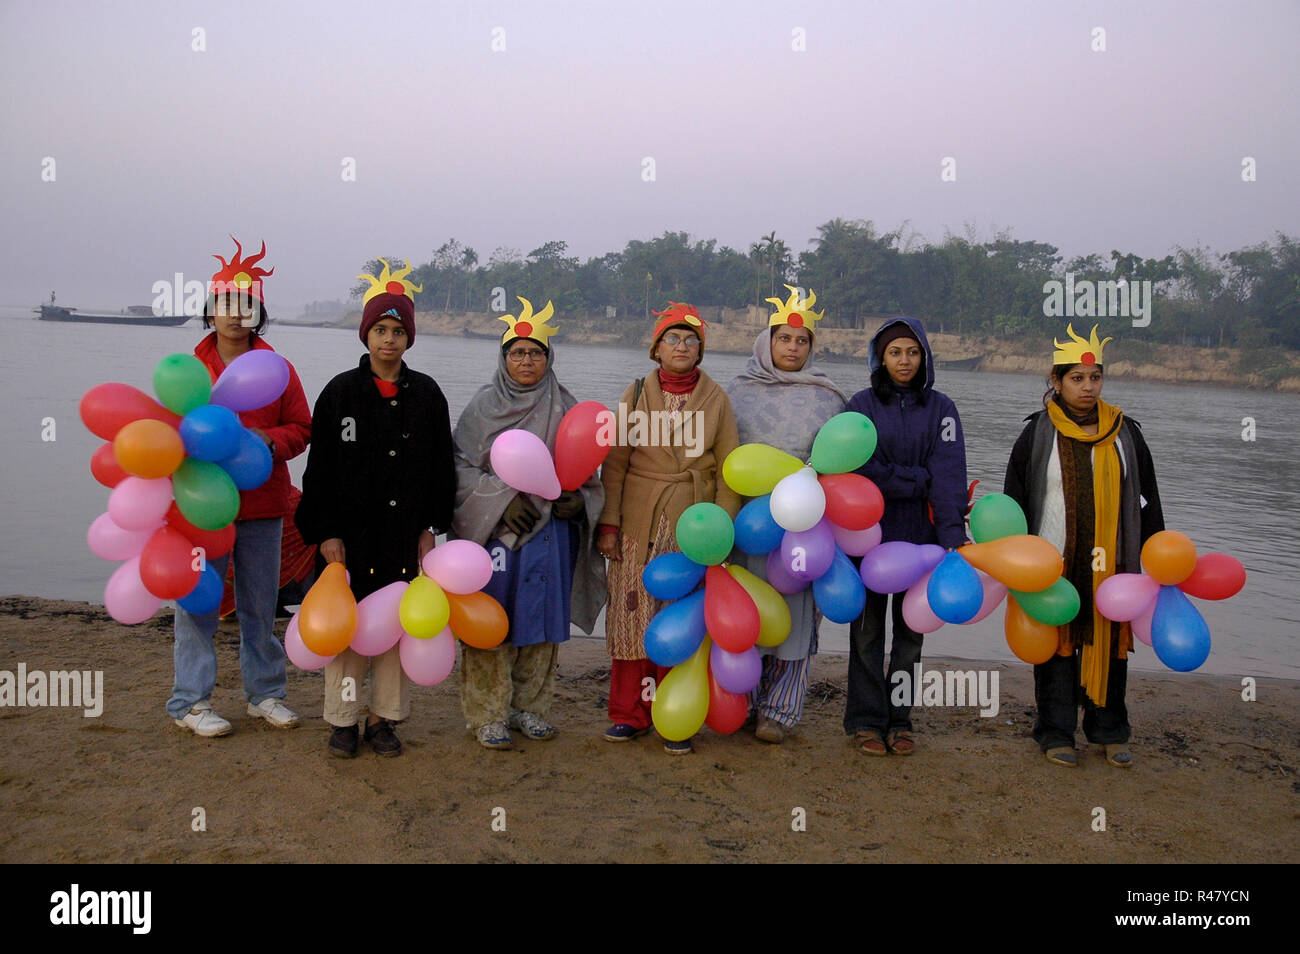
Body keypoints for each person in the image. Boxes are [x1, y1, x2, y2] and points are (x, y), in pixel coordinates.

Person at [295, 260, 457, 758]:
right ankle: (343, 721)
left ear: (409, 338)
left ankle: (384, 720)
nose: (389, 340)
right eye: (381, 330)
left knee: (394, 627)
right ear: (366, 335)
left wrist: (432, 525)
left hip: (403, 532)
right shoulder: (340, 393)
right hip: (349, 533)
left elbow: (440, 468)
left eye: (399, 331)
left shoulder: (427, 394)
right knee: (347, 631)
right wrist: (323, 533)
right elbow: (318, 471)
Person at [1002, 324, 1164, 769]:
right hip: (1053, 560)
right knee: (1057, 645)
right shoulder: (1036, 435)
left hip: (1114, 565)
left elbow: (1148, 499)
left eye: (1094, 378)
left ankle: (1109, 729)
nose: (1087, 387)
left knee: (1109, 642)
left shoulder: (1126, 433)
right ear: (1056, 382)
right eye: (1076, 378)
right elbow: (1014, 499)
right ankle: (1055, 732)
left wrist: (1154, 559)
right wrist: (1015, 559)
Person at [169, 238, 311, 737]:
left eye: (245, 304)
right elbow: (166, 436)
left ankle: (265, 694)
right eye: (225, 304)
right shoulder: (186, 371)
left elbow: (302, 429)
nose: (235, 314)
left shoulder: (278, 369)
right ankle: (190, 701)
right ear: (211, 312)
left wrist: (265, 443)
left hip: (263, 505)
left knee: (257, 604)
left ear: (258, 313)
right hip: (201, 508)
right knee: (198, 602)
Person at [451, 299, 607, 749]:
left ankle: (531, 708)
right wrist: (502, 498)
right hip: (496, 534)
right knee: (491, 621)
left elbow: (588, 475)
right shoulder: (482, 408)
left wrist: (577, 503)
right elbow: (459, 469)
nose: (526, 360)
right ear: (503, 359)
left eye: (535, 352)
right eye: (517, 352)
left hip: (551, 537)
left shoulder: (567, 406)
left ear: (548, 358)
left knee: (540, 621)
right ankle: (487, 713)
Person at [598, 303, 741, 754]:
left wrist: (721, 532)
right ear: (656, 347)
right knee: (631, 612)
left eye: (691, 340)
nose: (682, 346)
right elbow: (615, 463)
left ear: (701, 350)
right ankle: (628, 714)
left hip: (692, 521)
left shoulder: (717, 398)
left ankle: (671, 715)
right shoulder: (636, 393)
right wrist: (609, 523)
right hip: (638, 516)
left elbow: (729, 471)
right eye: (672, 339)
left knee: (677, 618)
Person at [842, 317, 968, 756]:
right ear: (881, 356)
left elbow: (950, 476)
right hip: (868, 539)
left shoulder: (942, 410)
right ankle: (865, 721)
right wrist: (917, 480)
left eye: (912, 352)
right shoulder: (859, 406)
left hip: (923, 542)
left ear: (925, 357)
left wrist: (953, 540)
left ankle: (900, 720)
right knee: (867, 634)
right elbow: (860, 468)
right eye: (895, 352)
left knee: (911, 637)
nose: (904, 360)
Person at [726, 286, 846, 743]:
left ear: (812, 347)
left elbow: (841, 462)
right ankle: (745, 700)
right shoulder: (737, 392)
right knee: (750, 609)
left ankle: (780, 709)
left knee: (797, 613)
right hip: (749, 521)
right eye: (784, 339)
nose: (792, 348)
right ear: (766, 342)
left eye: (802, 341)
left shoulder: (829, 397)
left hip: (806, 522)